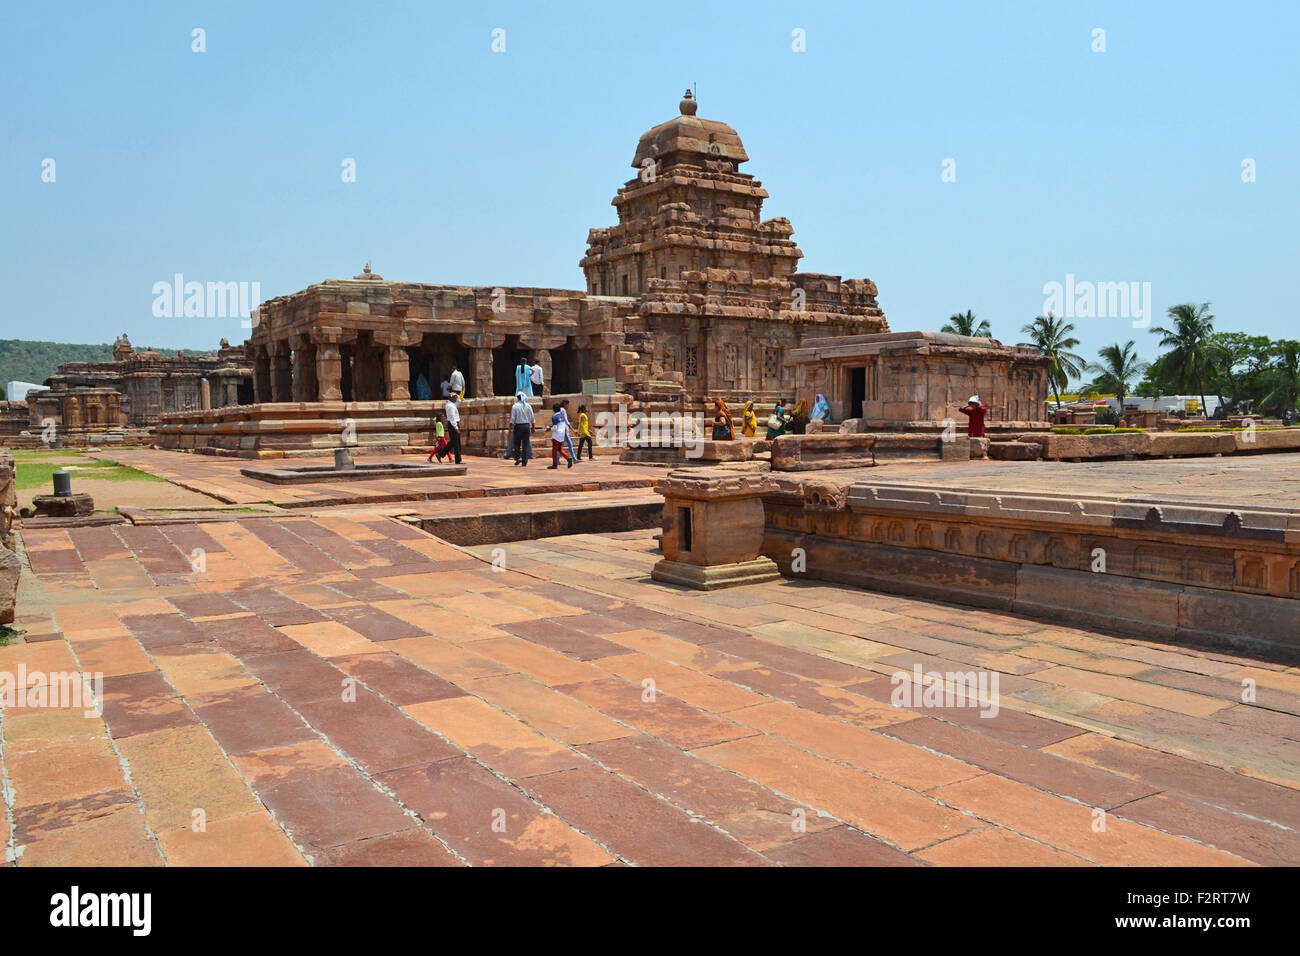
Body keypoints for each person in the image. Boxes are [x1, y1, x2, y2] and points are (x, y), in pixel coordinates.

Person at [508, 392, 535, 466]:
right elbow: (532, 418)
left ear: (517, 398)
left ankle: (518, 457)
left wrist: (510, 429)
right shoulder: (528, 406)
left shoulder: (515, 406)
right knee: (526, 443)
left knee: (516, 442)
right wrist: (533, 427)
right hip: (526, 426)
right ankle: (524, 461)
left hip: (518, 426)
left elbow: (512, 419)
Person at [547, 402, 573, 469]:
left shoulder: (554, 416)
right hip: (562, 434)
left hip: (556, 435)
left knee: (554, 450)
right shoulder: (562, 416)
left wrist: (549, 429)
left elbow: (555, 428)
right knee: (559, 448)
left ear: (553, 410)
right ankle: (568, 458)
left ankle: (554, 464)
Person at [443, 394, 463, 463]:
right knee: (456, 442)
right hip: (453, 424)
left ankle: (440, 454)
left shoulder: (451, 404)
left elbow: (459, 402)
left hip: (453, 424)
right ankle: (458, 459)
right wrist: (456, 428)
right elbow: (452, 419)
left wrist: (457, 395)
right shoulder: (450, 406)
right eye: (455, 398)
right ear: (451, 398)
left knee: (454, 442)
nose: (456, 399)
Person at [559, 399, 579, 463]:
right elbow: (566, 421)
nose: (568, 406)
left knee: (568, 445)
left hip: (564, 431)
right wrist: (573, 430)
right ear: (565, 404)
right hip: (564, 431)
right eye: (568, 405)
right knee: (565, 445)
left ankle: (574, 459)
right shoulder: (563, 410)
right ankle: (557, 460)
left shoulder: (561, 410)